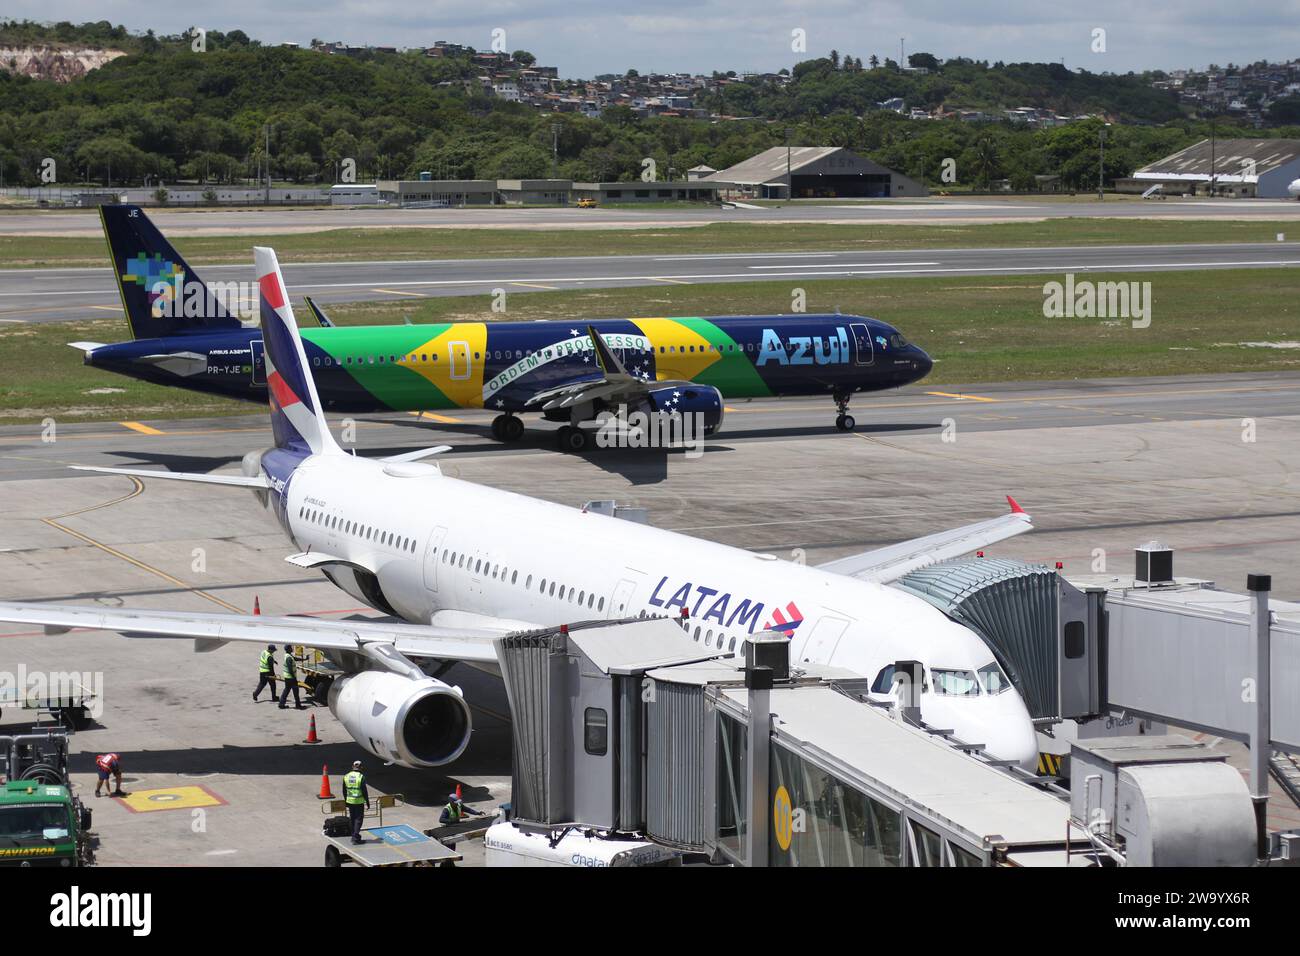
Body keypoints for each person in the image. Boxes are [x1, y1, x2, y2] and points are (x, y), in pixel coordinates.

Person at [342, 760, 370, 845]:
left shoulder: (346, 776)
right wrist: (367, 802)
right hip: (358, 801)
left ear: (352, 767)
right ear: (361, 767)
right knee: (358, 819)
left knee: (352, 818)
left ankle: (353, 835)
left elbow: (344, 790)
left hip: (350, 801)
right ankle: (355, 837)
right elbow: (364, 791)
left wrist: (346, 800)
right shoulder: (361, 777)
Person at [278, 644, 304, 709]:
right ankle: (298, 705)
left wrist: (304, 659)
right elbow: (290, 669)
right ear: (289, 649)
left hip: (287, 677)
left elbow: (294, 658)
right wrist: (294, 678)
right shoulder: (289, 658)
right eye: (291, 647)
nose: (292, 648)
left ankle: (281, 704)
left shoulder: (287, 655)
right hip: (291, 678)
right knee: (295, 691)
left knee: (286, 690)